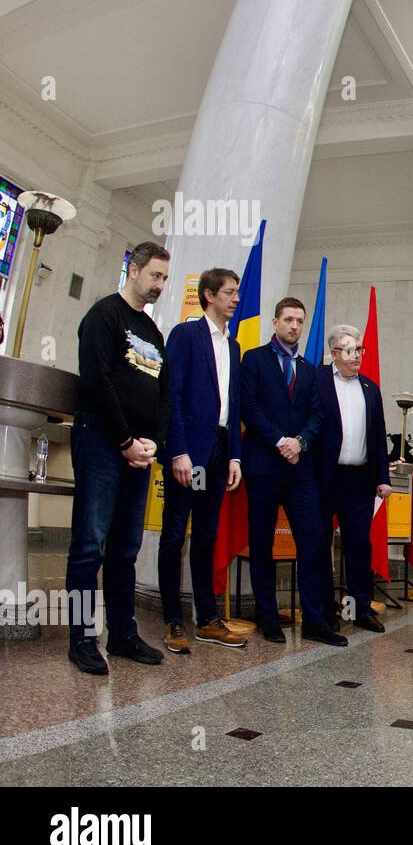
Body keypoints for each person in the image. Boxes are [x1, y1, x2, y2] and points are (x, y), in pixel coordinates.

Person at [65, 241, 171, 675]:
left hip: (138, 453)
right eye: (155, 276)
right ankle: (81, 638)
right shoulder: (104, 315)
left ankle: (124, 635)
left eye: (165, 278)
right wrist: (126, 439)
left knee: (126, 547)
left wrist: (152, 444)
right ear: (134, 269)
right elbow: (96, 382)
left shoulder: (153, 332)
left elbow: (164, 396)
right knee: (90, 545)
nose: (160, 285)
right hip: (101, 443)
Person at [240, 298, 343, 647]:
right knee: (262, 542)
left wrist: (299, 442)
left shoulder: (311, 370)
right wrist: (279, 440)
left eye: (300, 320)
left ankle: (314, 619)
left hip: (300, 468)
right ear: (275, 322)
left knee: (313, 539)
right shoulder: (253, 359)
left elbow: (317, 415)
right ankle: (267, 617)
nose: (294, 326)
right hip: (264, 466)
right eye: (288, 319)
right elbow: (249, 409)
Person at [158, 267, 247, 653]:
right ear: (209, 295)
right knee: (176, 533)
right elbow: (171, 396)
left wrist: (235, 458)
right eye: (229, 292)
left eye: (237, 293)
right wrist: (178, 450)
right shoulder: (186, 335)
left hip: (220, 450)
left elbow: (235, 403)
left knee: (207, 536)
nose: (235, 299)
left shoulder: (234, 345)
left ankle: (207, 619)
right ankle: (172, 620)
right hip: (188, 454)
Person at [314, 325, 392, 634]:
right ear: (334, 354)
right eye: (350, 349)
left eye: (359, 349)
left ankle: (361, 608)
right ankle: (324, 609)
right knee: (320, 544)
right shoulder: (316, 381)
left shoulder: (370, 389)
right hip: (324, 478)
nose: (357, 354)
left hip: (359, 480)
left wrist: (382, 477)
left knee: (359, 545)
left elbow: (378, 435)